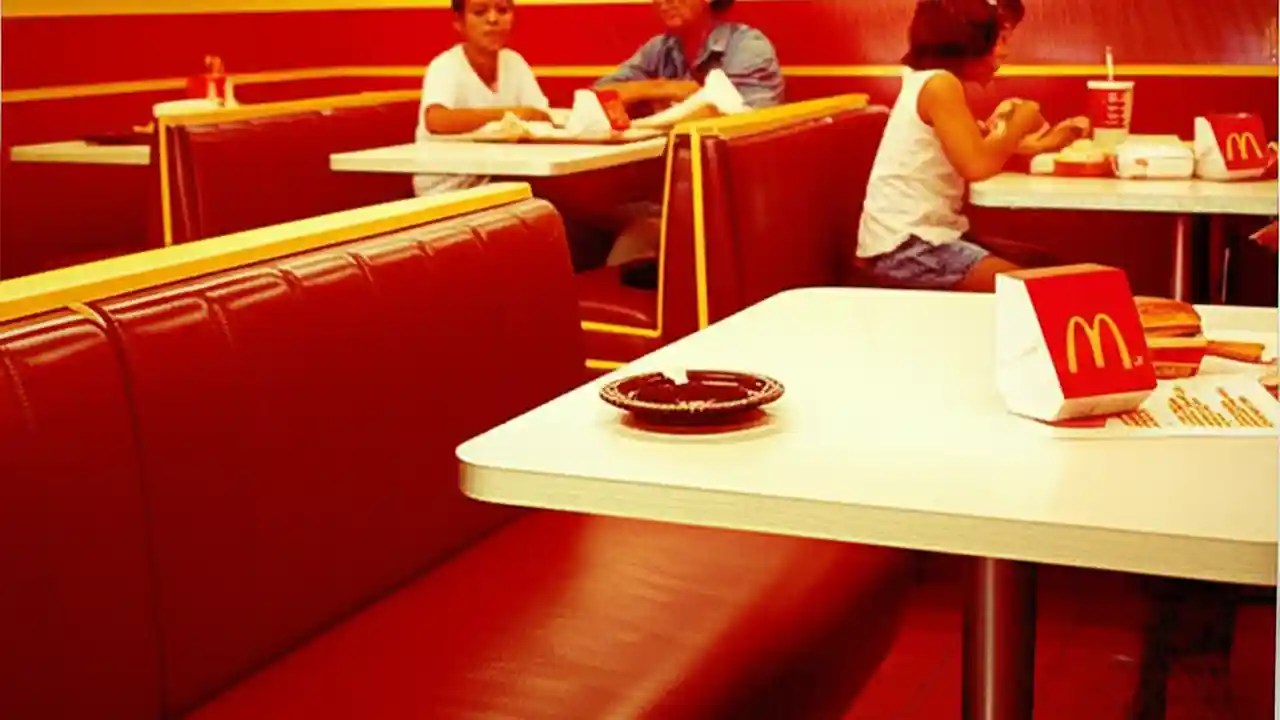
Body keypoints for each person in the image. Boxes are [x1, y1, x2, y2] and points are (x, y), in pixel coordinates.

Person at [855, 0, 1088, 292]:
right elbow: (977, 164)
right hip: (906, 250)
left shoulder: (929, 81)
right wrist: (1021, 120)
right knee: (1045, 291)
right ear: (967, 43)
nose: (1004, 52)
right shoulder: (940, 85)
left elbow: (975, 148)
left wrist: (1044, 143)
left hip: (916, 242)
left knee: (1043, 263)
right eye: (997, 40)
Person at [413, 0, 550, 197]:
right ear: (459, 22)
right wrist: (511, 115)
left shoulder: (515, 63)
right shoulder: (445, 66)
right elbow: (436, 119)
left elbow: (540, 117)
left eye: (503, 10)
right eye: (480, 12)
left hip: (502, 179)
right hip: (447, 188)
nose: (493, 19)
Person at [595, 0, 783, 113]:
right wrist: (660, 87)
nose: (663, 1)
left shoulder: (748, 47)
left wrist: (636, 94)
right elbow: (596, 94)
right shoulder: (660, 47)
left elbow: (744, 125)